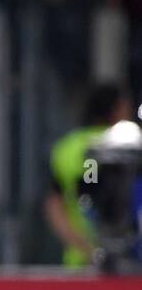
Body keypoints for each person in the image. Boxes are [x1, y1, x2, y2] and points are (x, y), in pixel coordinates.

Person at [45, 83, 133, 266]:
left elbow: (55, 207)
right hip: (130, 259)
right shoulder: (128, 145)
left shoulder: (67, 147)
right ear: (116, 109)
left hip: (80, 261)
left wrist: (87, 248)